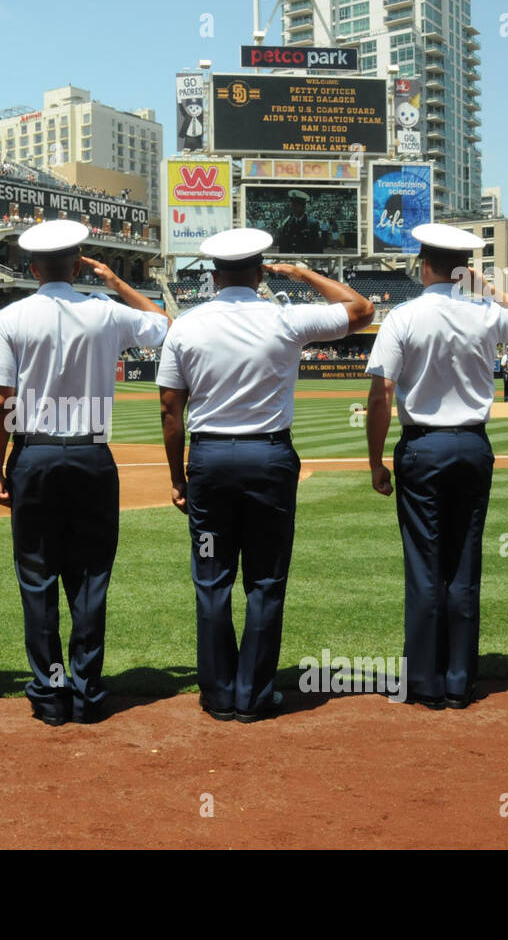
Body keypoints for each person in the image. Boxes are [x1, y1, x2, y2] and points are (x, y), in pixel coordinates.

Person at [158, 229, 373, 722]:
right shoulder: (285, 318)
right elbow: (362, 310)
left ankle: (217, 694)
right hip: (269, 462)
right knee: (265, 579)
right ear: (259, 274)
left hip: (209, 464)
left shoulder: (186, 326)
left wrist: (178, 478)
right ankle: (254, 697)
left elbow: (171, 411)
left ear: (212, 277)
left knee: (212, 578)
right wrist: (301, 273)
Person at [0, 219, 169, 727]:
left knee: (38, 577)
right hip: (91, 456)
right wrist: (115, 281)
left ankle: (50, 693)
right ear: (80, 259)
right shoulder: (106, 312)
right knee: (89, 578)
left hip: (35, 456)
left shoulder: (13, 317)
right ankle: (87, 693)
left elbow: (0, 403)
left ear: (33, 267)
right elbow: (163, 322)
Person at [365, 223, 508, 709]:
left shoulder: (403, 316)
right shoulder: (486, 312)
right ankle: (459, 680)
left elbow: (381, 395)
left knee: (424, 565)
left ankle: (424, 681)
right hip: (471, 445)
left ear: (424, 264)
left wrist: (375, 461)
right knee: (464, 562)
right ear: (465, 268)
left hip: (422, 446)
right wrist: (489, 289)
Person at [276, 190, 324, 255]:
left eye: (296, 206)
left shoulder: (312, 223)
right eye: (292, 205)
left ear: (303, 207)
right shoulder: (287, 223)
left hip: (306, 260)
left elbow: (318, 246)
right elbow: (283, 244)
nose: (293, 208)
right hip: (290, 260)